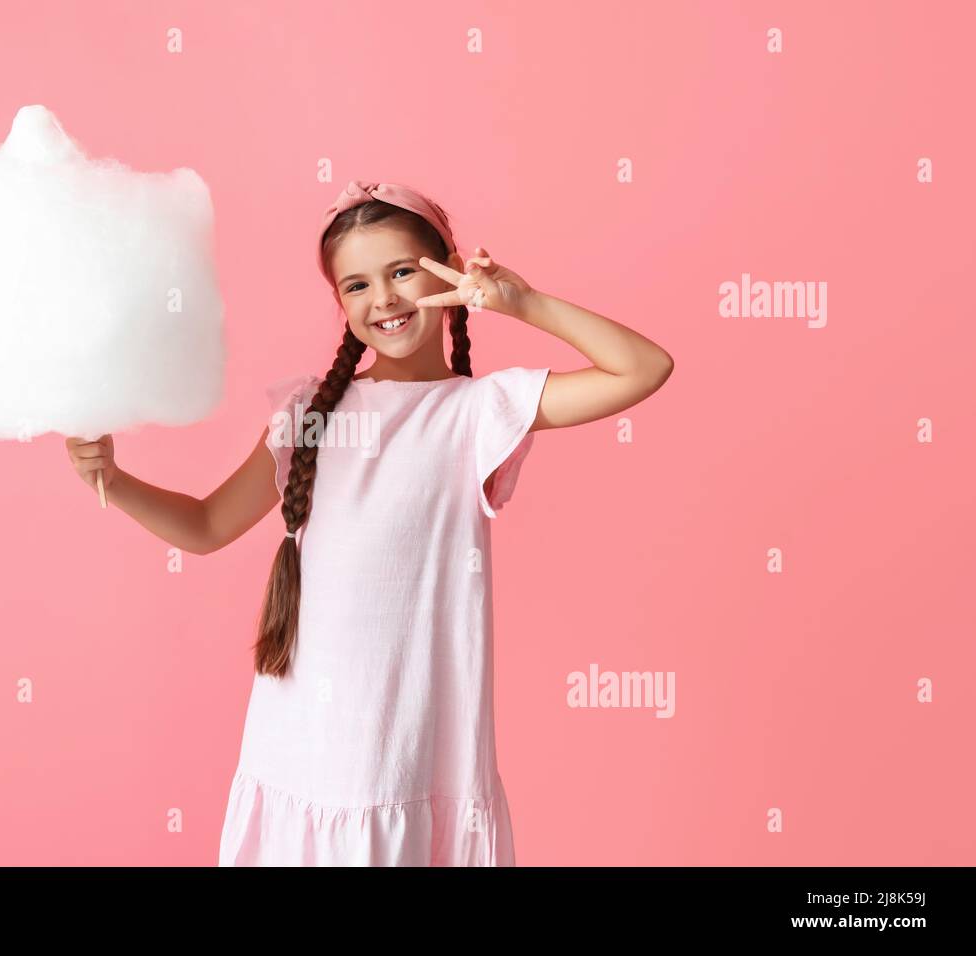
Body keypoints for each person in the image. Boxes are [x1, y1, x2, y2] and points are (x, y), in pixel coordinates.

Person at [66, 180, 674, 865]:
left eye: (403, 272)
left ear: (448, 268)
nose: (381, 298)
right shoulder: (309, 414)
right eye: (356, 285)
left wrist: (521, 303)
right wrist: (112, 481)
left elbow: (643, 368)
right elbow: (206, 526)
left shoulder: (477, 412)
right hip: (301, 743)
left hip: (408, 753)